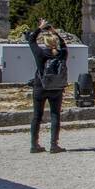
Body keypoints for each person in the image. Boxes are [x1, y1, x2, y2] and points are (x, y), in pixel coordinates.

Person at [25, 19, 67, 154]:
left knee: (37, 115)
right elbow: (64, 45)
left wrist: (40, 28)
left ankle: (34, 144)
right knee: (55, 115)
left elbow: (31, 40)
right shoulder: (62, 54)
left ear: (45, 42)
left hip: (40, 86)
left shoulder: (40, 54)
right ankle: (54, 145)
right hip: (56, 87)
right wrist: (54, 32)